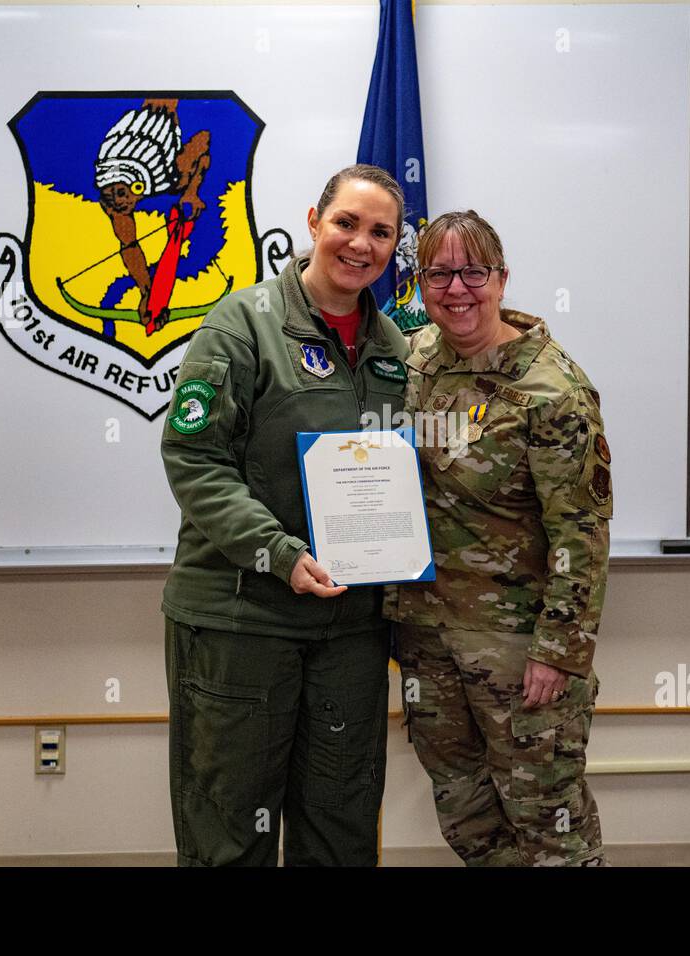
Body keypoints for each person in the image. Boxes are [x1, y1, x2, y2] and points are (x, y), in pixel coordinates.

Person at [161, 164, 408, 866]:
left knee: (341, 828)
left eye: (380, 232)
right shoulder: (240, 326)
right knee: (232, 833)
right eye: (346, 223)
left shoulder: (393, 349)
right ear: (313, 221)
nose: (361, 243)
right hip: (243, 623)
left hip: (350, 628)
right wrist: (277, 551)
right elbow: (194, 459)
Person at [386, 210, 613, 866]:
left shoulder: (551, 388)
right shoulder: (418, 358)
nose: (457, 289)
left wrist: (558, 652)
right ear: (421, 284)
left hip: (519, 653)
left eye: (473, 272)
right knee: (467, 814)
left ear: (501, 278)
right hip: (429, 640)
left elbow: (582, 528)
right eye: (439, 274)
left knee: (548, 825)